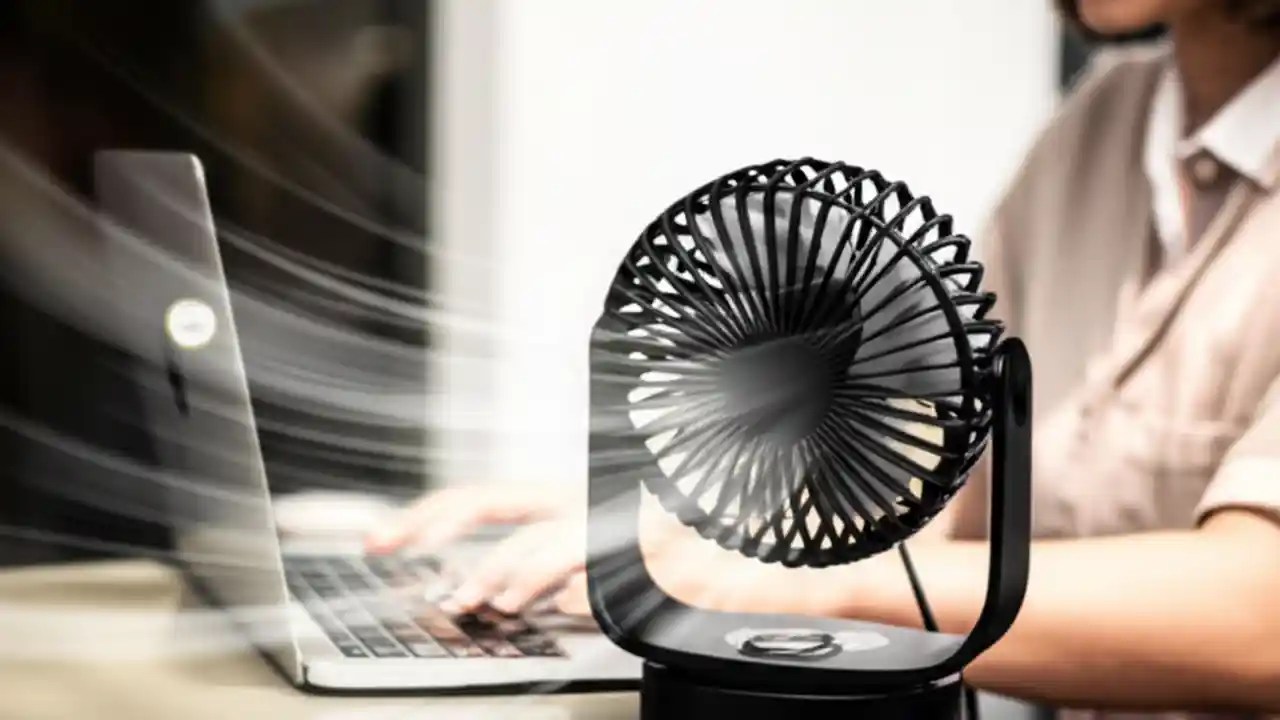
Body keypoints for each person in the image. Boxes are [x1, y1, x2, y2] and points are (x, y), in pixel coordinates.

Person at [369, 0, 1280, 715]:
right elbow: (934, 471)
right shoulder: (1105, 123)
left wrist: (794, 581)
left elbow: (1262, 618)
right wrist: (673, 516)